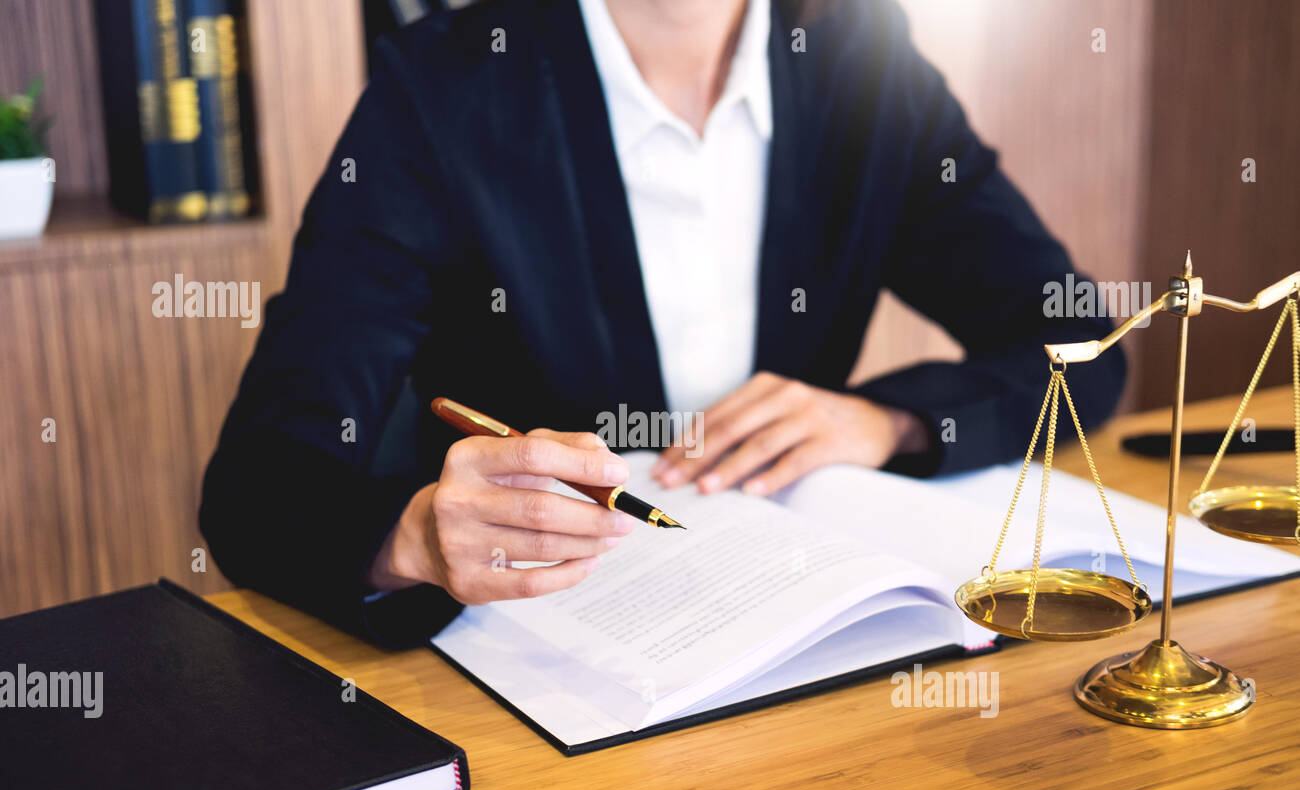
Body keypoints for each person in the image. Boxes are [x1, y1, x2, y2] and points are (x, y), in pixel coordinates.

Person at [200, 0, 1125, 647]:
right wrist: (414, 535)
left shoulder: (861, 60)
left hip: (796, 631)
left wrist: (889, 421)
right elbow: (254, 487)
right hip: (544, 657)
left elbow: (1080, 339)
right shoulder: (442, 89)